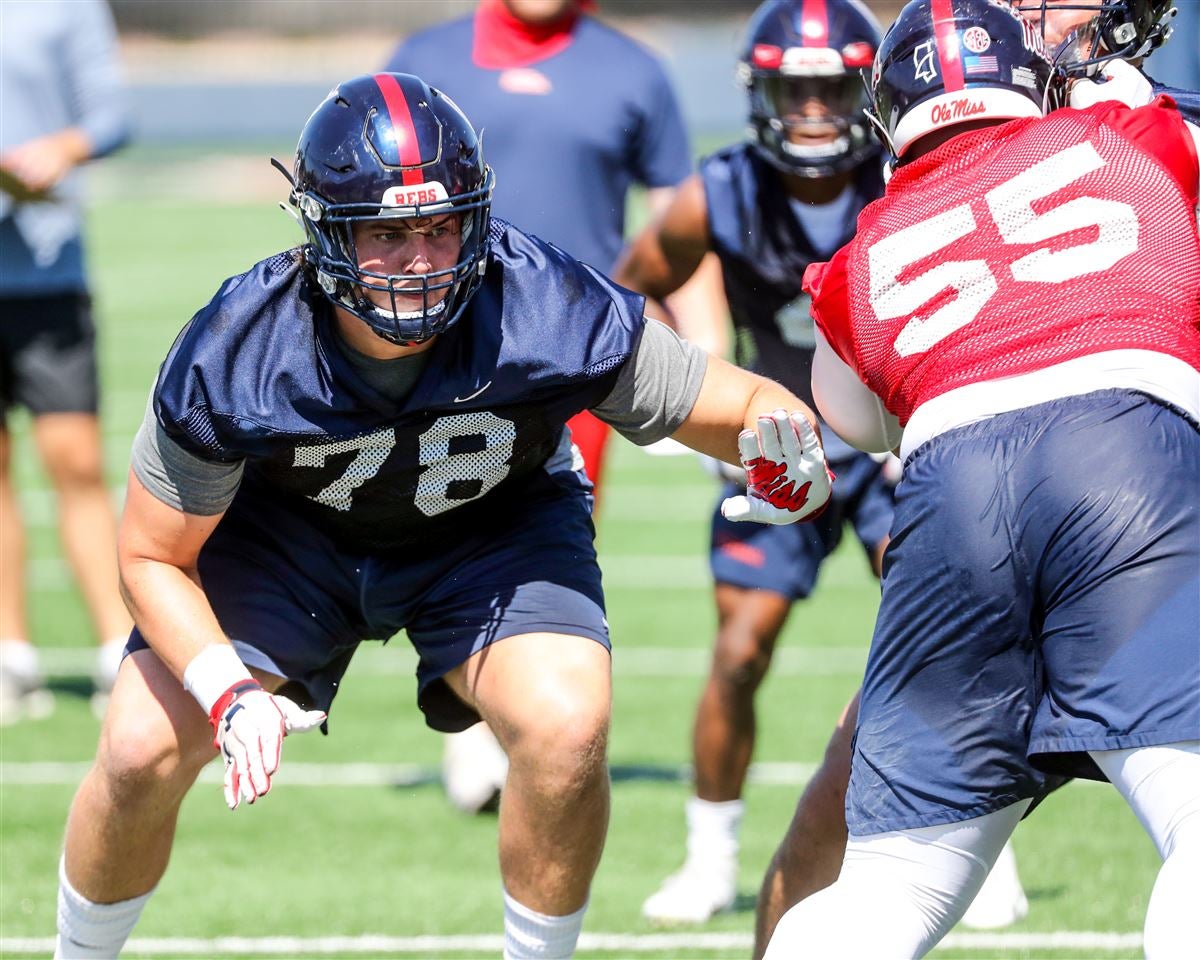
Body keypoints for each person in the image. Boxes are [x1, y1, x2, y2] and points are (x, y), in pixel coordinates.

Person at [53, 72, 834, 960]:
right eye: (387, 232)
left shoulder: (546, 303)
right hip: (287, 546)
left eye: (439, 225)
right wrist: (228, 694)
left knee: (566, 724)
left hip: (488, 534)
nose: (420, 258)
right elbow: (152, 558)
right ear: (323, 234)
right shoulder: (237, 348)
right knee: (138, 747)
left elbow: (738, 405)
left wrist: (787, 447)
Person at [751, 1, 1198, 952]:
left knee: (887, 889)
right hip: (1120, 454)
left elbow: (860, 418)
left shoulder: (859, 254)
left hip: (949, 496)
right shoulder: (1133, 133)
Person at [384, 0, 724, 813]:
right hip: (440, 350)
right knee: (439, 527)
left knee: (551, 531)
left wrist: (710, 358)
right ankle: (468, 723)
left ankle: (514, 715)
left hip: (574, 357)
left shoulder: (633, 69)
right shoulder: (425, 58)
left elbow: (682, 221)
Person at [0, 0, 133, 724]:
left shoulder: (67, 6)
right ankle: (9, 658)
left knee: (76, 461)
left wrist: (61, 149)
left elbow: (114, 116)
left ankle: (120, 647)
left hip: (47, 277)